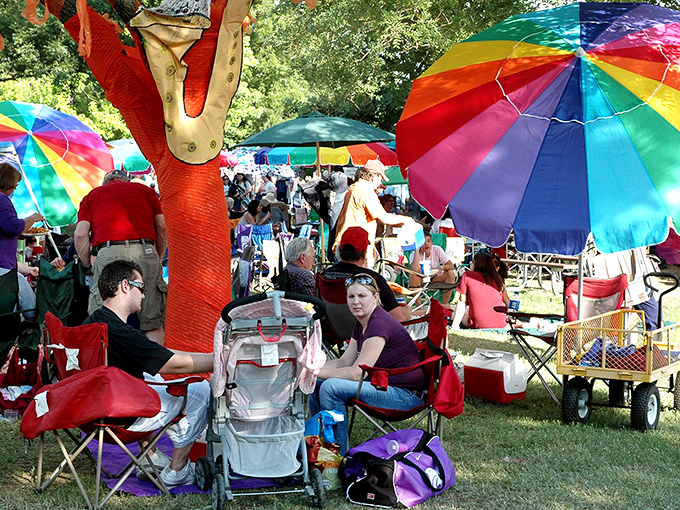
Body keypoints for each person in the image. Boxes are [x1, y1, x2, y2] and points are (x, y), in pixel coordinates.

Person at [83, 259, 211, 487]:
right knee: (200, 389)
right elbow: (176, 365)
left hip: (90, 414)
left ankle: (151, 458)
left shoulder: (93, 323)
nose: (143, 295)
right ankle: (178, 470)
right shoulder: (123, 334)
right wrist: (218, 360)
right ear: (125, 286)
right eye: (140, 287)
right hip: (120, 420)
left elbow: (160, 354)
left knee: (152, 378)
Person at [309, 273, 426, 454]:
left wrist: (314, 372)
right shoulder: (362, 322)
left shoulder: (379, 323)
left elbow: (357, 373)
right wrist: (311, 371)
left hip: (405, 396)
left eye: (362, 296)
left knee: (330, 387)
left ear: (375, 298)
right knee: (316, 383)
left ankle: (339, 456)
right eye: (351, 296)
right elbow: (344, 361)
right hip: (383, 386)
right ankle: (320, 444)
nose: (356, 301)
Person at [74, 169, 168, 345]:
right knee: (153, 322)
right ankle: (156, 371)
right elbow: (162, 226)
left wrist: (87, 263)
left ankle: (106, 368)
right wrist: (158, 256)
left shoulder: (93, 196)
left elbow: (80, 235)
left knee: (102, 321)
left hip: (109, 252)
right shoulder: (147, 192)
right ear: (127, 180)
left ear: (106, 183)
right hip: (144, 251)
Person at [322, 226, 413, 322]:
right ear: (365, 253)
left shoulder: (324, 276)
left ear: (340, 249)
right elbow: (400, 317)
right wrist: (407, 311)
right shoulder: (372, 279)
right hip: (368, 334)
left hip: (330, 334)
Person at [333, 159, 414, 266]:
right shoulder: (365, 191)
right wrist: (408, 220)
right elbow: (384, 218)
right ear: (373, 176)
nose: (380, 182)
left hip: (346, 245)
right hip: (355, 248)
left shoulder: (354, 188)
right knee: (362, 280)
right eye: (380, 178)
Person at [0, 160, 43, 318]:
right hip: (3, 271)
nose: (16, 188)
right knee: (24, 302)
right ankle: (32, 324)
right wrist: (32, 218)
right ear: (7, 182)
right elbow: (14, 227)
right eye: (15, 184)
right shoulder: (2, 199)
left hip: (5, 266)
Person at [452, 252, 509, 329]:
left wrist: (455, 325)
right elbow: (507, 301)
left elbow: (462, 301)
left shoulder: (467, 276)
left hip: (478, 324)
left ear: (478, 265)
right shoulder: (498, 278)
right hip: (501, 322)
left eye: (472, 262)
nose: (470, 264)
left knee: (463, 313)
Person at [409, 232, 458, 304]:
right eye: (424, 242)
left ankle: (445, 304)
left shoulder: (437, 249)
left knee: (450, 272)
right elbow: (414, 270)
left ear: (432, 243)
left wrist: (442, 267)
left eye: (429, 241)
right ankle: (419, 305)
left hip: (435, 277)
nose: (427, 244)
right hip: (421, 279)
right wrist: (417, 251)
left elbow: (451, 266)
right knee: (412, 275)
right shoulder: (414, 254)